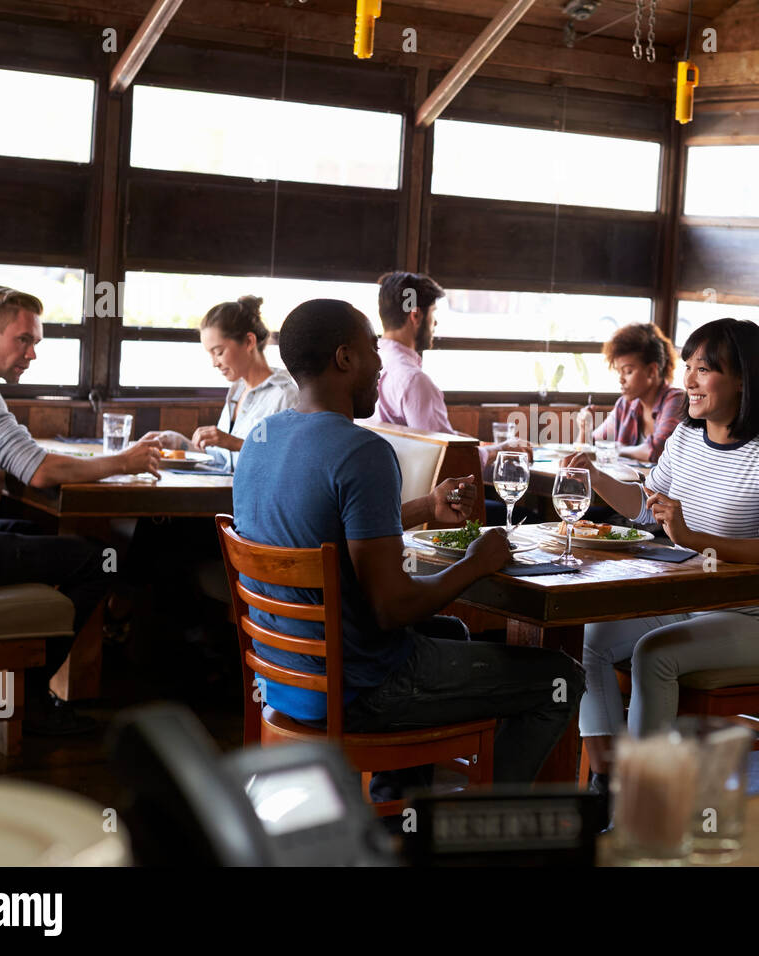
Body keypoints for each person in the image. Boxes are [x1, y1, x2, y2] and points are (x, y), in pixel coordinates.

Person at [233, 297, 583, 788]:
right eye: (372, 350)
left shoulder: (261, 439)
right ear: (345, 358)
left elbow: (327, 534)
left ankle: (402, 815)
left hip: (286, 678)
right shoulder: (363, 451)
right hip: (362, 688)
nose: (381, 364)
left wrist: (422, 509)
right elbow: (391, 609)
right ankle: (473, 835)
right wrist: (475, 562)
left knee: (452, 634)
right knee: (560, 679)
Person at [562, 318, 759, 786]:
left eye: (705, 369)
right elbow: (646, 509)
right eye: (689, 367)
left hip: (752, 620)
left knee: (655, 653)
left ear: (742, 379)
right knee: (587, 639)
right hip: (685, 606)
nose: (689, 380)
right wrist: (596, 477)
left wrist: (692, 538)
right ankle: (606, 781)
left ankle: (647, 796)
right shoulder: (687, 439)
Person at [0, 286, 161, 733]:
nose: (32, 353)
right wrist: (126, 461)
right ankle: (29, 701)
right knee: (98, 559)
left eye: (36, 343)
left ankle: (14, 674)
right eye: (22, 340)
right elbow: (42, 471)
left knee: (32, 527)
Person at [357, 272, 531, 473]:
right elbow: (450, 458)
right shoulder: (414, 380)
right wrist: (502, 450)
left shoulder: (371, 365)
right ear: (416, 315)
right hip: (428, 500)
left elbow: (436, 439)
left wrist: (479, 444)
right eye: (433, 313)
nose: (435, 323)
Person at [141, 295, 297, 471]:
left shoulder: (285, 396)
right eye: (210, 354)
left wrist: (233, 442)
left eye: (219, 352)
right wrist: (177, 442)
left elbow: (288, 462)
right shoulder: (237, 391)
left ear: (249, 342)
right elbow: (222, 461)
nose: (214, 363)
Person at [573, 321, 685, 463]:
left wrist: (616, 449)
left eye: (628, 371)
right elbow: (591, 447)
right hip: (627, 484)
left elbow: (657, 451)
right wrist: (585, 429)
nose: (621, 379)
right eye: (619, 372)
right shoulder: (625, 405)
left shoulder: (676, 400)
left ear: (652, 370)